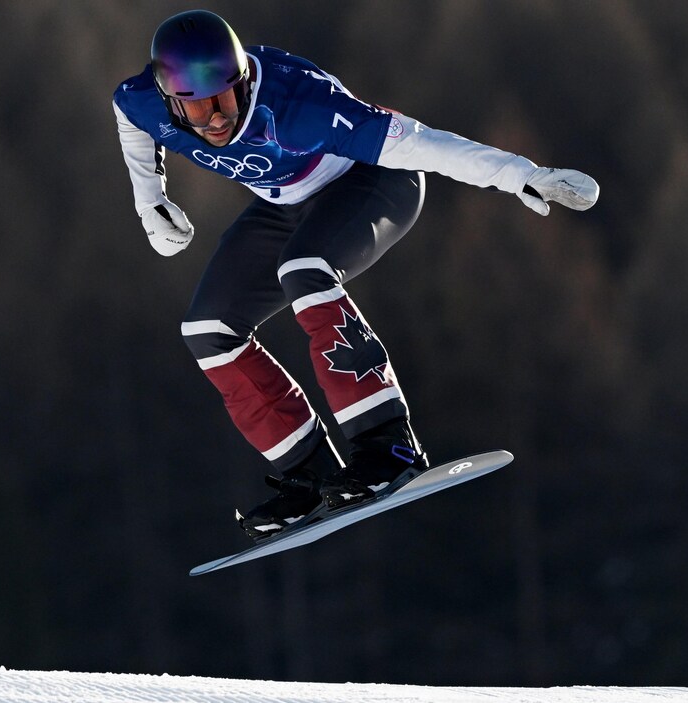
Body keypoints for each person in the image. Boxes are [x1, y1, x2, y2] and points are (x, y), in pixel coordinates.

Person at [113, 10, 598, 541]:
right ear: (168, 100)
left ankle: (389, 447)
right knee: (207, 330)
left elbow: (422, 143)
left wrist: (521, 176)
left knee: (306, 270)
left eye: (223, 101)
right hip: (287, 203)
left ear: (244, 81)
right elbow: (126, 115)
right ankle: (310, 474)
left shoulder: (297, 106)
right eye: (196, 109)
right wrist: (150, 200)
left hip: (372, 181)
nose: (214, 122)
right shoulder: (145, 101)